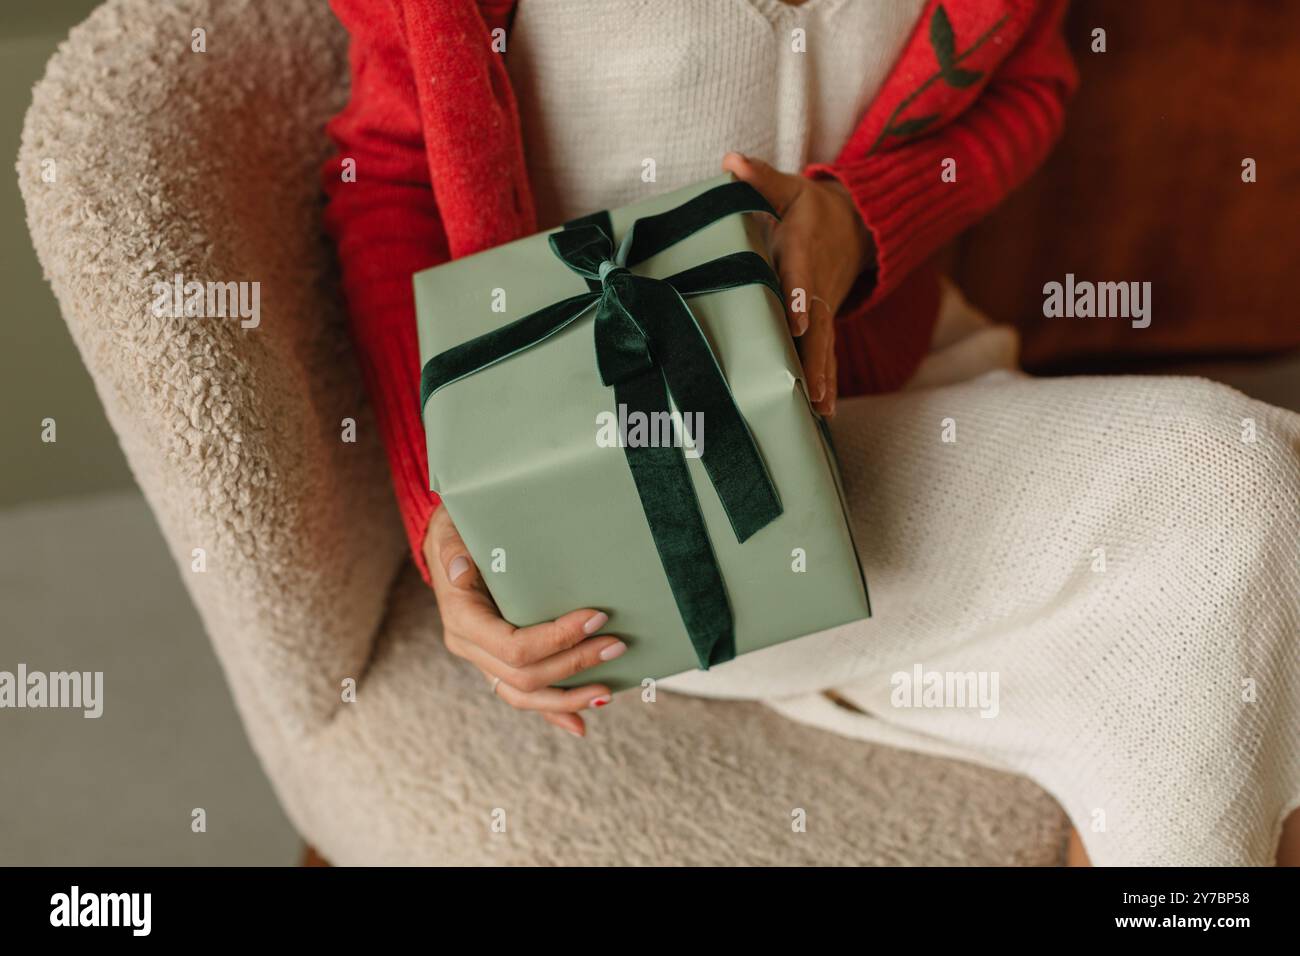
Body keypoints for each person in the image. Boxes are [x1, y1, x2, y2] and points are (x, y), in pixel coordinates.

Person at [322, 0, 1300, 865]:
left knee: (1234, 606)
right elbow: (391, 173)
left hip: (920, 379)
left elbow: (1027, 81)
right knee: (1232, 483)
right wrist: (445, 497)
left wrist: (863, 218)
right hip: (661, 502)